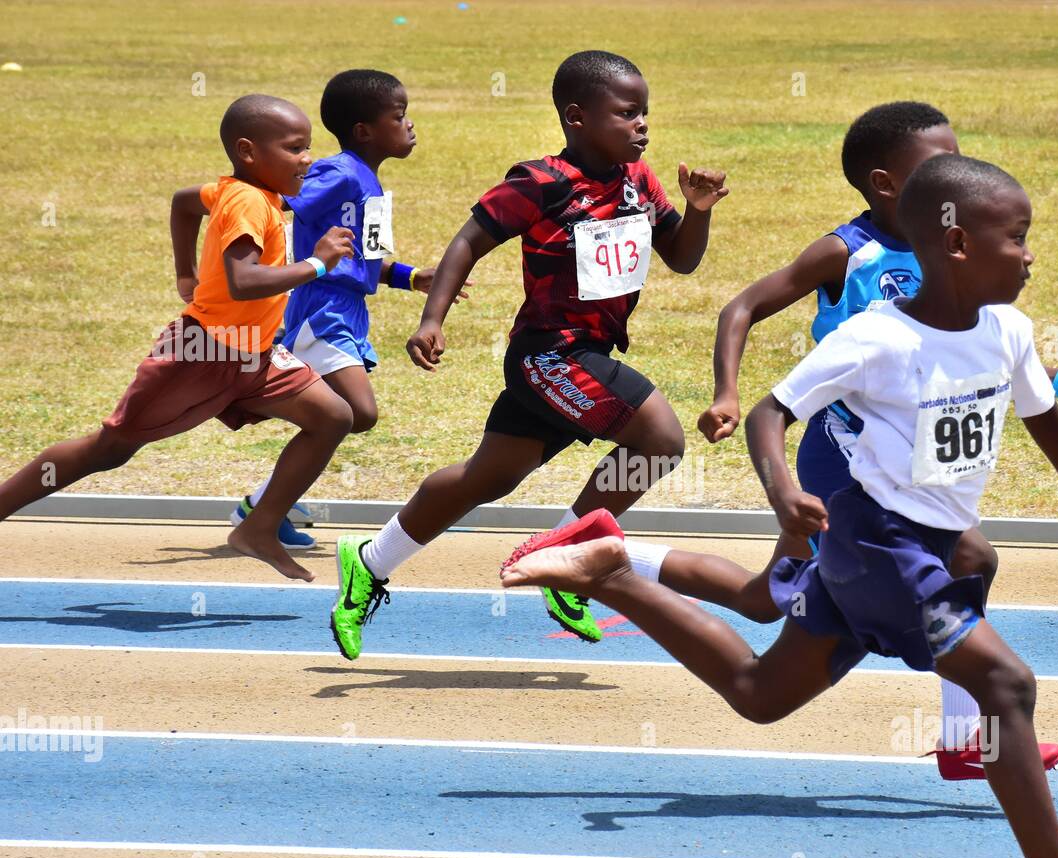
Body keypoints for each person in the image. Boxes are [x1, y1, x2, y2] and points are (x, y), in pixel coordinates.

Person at [500, 154, 1058, 858]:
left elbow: (1042, 410)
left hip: (922, 545)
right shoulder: (877, 338)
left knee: (760, 693)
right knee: (1007, 684)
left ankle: (611, 575)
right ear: (954, 245)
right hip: (880, 545)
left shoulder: (1009, 330)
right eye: (1015, 238)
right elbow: (772, 412)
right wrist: (784, 489)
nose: (1029, 254)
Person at [666, 102, 1058, 778]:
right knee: (962, 557)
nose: (958, 172)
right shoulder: (848, 252)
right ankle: (971, 735)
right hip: (845, 458)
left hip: (903, 461)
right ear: (886, 185)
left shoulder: (963, 253)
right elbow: (743, 306)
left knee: (772, 598)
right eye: (939, 166)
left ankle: (616, 559)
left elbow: (961, 352)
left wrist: (1053, 379)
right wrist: (727, 391)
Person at [328, 50, 727, 659]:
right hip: (551, 355)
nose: (642, 124)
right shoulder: (540, 183)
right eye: (627, 113)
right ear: (576, 118)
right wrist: (431, 317)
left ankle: (370, 560)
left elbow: (682, 255)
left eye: (645, 112)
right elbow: (468, 242)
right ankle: (571, 554)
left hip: (584, 354)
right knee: (662, 440)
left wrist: (696, 211)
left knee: (486, 478)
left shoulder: (637, 181)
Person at [0, 95, 354, 582]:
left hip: (256, 355)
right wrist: (318, 262)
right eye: (295, 148)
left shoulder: (239, 190)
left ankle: (259, 528)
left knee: (333, 416)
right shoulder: (249, 201)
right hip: (203, 351)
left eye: (307, 147)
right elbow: (243, 281)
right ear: (248, 152)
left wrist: (184, 273)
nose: (307, 158)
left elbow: (184, 202)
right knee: (108, 449)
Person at [228, 69, 467, 549]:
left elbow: (359, 259)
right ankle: (245, 413)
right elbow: (279, 198)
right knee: (357, 411)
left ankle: (265, 500)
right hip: (324, 310)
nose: (411, 125)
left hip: (349, 308)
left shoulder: (366, 180)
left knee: (344, 416)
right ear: (365, 131)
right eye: (399, 117)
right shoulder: (338, 173)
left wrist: (409, 277)